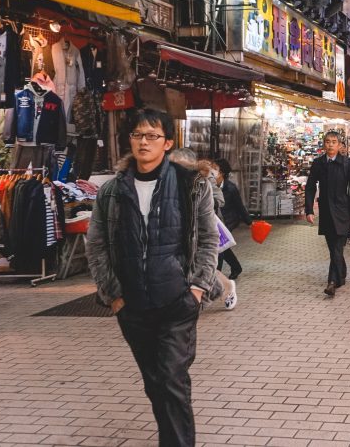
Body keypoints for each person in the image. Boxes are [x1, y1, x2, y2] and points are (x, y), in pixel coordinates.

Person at [87, 109, 219, 447]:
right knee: (154, 382)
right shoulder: (112, 192)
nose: (144, 142)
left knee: (172, 378)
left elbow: (208, 238)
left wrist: (197, 288)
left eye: (152, 136)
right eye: (138, 135)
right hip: (132, 306)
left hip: (177, 302)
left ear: (168, 143)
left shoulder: (192, 184)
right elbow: (97, 245)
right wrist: (112, 294)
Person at [169, 149, 238, 311]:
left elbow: (219, 200)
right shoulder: (167, 182)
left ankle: (224, 287)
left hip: (202, 229)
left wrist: (200, 204)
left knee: (203, 264)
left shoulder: (204, 181)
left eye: (178, 164)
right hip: (180, 233)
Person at [304, 131, 350, 297]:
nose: (330, 145)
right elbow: (310, 187)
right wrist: (309, 209)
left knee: (337, 247)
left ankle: (332, 282)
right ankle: (341, 273)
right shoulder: (318, 163)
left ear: (340, 145)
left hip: (344, 211)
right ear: (324, 144)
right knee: (333, 248)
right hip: (326, 211)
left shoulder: (348, 164)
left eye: (334, 142)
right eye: (327, 142)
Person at [214, 159, 249, 280]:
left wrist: (249, 222)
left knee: (219, 247)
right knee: (224, 245)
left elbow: (240, 206)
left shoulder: (230, 188)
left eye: (215, 169)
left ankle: (216, 276)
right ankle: (236, 267)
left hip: (229, 220)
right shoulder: (211, 184)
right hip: (218, 220)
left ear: (222, 173)